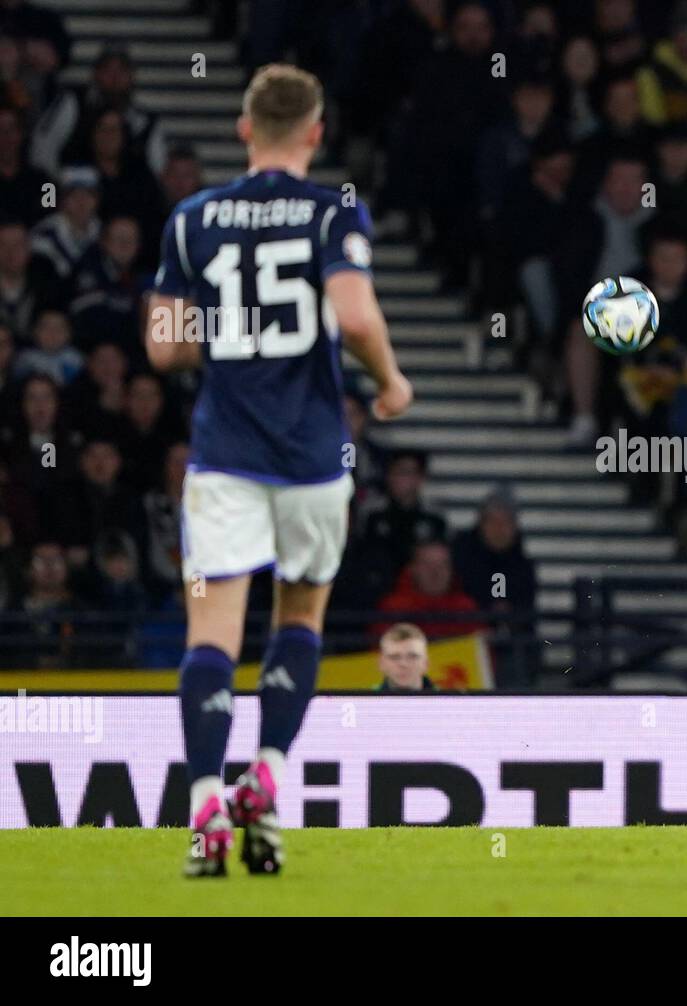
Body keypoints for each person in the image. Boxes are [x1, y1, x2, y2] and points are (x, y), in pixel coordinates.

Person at [146, 64, 412, 877]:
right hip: (311, 457)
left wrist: (233, 336)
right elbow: (356, 313)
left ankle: (203, 813)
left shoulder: (192, 219)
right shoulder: (334, 209)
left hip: (223, 455)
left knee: (211, 637)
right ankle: (269, 773)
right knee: (298, 621)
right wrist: (390, 381)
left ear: (242, 129)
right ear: (316, 133)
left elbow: (162, 348)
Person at [375, 622, 436, 692]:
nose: (404, 664)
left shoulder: (448, 700)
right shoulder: (365, 701)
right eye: (394, 657)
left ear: (426, 663)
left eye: (413, 656)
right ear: (381, 663)